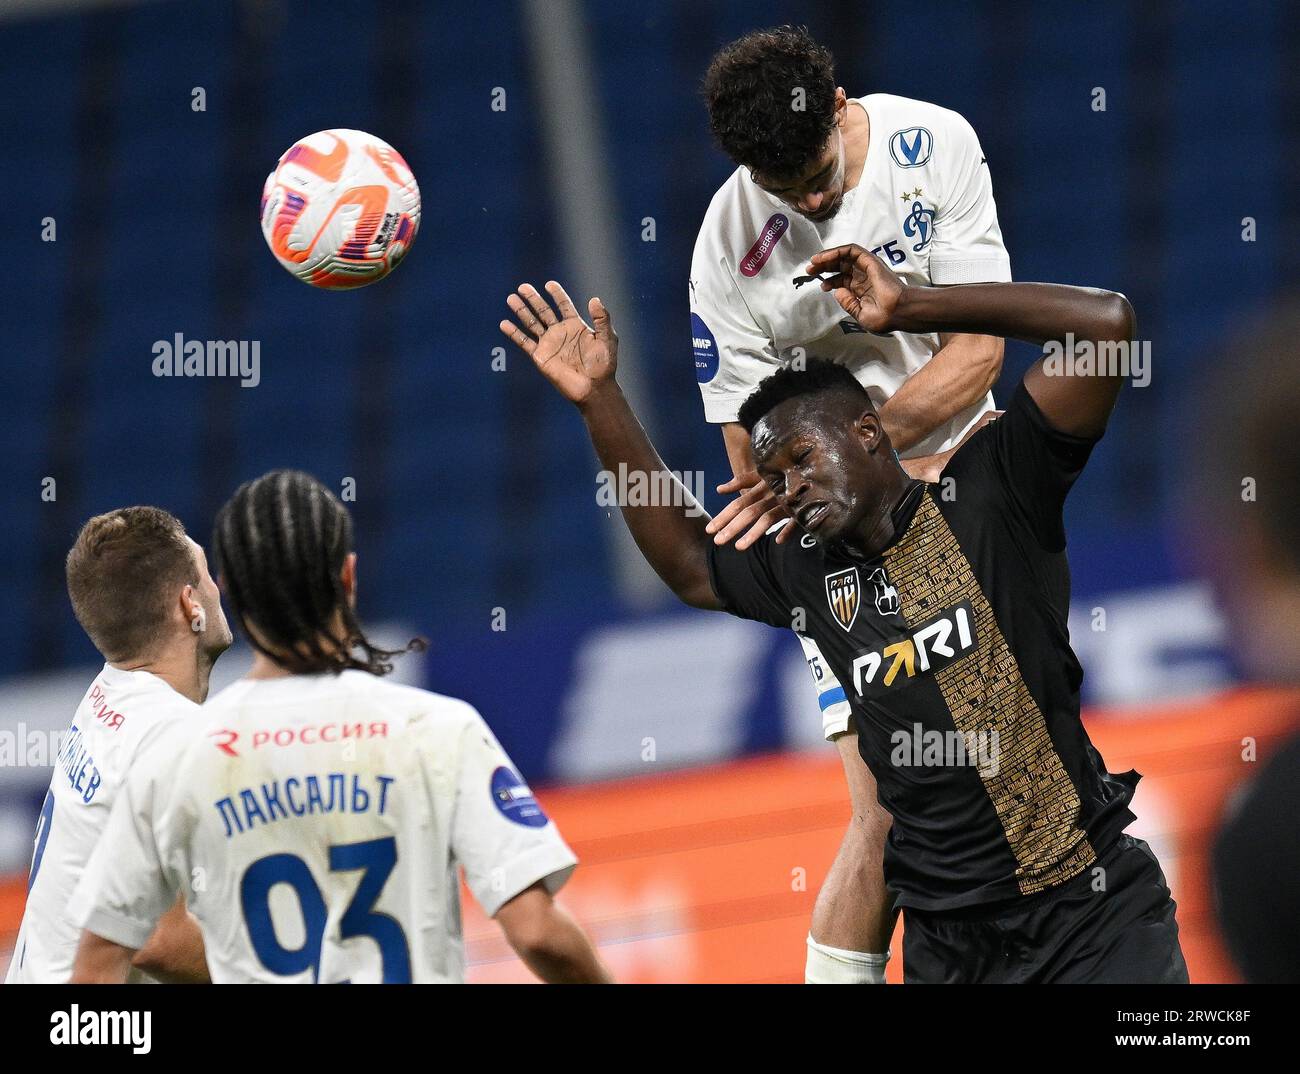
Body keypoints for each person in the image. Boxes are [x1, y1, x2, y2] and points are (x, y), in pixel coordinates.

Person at [498, 250, 1187, 983]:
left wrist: (911, 307)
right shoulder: (805, 570)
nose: (790, 487)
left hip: (1091, 912)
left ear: (867, 431)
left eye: (801, 456)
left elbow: (1107, 327)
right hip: (953, 950)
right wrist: (599, 399)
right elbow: (691, 565)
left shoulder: (995, 490)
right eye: (774, 478)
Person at [692, 24, 1013, 978]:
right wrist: (834, 488)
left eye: (821, 175)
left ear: (839, 108)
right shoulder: (726, 246)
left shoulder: (934, 144)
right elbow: (751, 453)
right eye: (787, 192)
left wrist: (872, 459)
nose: (815, 200)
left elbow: (982, 348)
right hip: (844, 540)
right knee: (882, 811)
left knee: (1015, 765)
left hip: (970, 486)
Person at [68, 470, 611, 984]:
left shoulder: (174, 757)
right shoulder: (438, 728)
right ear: (348, 578)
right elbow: (539, 934)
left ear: (231, 591)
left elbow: (101, 963)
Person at [6, 506, 229, 984]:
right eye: (207, 573)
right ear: (190, 605)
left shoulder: (108, 693)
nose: (218, 588)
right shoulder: (170, 732)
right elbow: (159, 943)